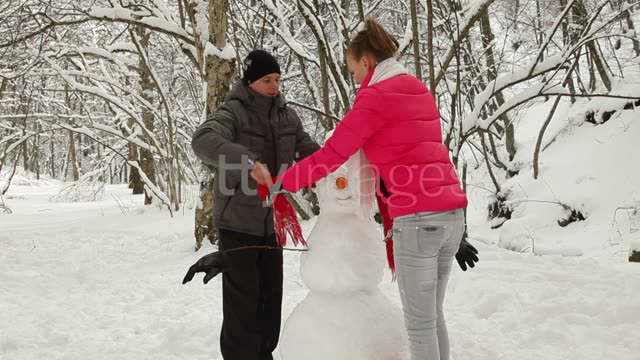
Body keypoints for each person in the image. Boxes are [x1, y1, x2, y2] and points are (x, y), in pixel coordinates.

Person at [275, 18, 478, 360]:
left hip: (418, 221)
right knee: (433, 317)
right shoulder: (418, 88)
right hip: (452, 216)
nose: (355, 80)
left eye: (354, 71)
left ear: (367, 62)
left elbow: (333, 154)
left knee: (419, 327)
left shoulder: (375, 97)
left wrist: (286, 181)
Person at [190, 49, 319, 360]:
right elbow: (203, 140)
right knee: (242, 310)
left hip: (272, 224)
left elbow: (310, 151)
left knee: (269, 304)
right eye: (266, 79)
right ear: (249, 82)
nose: (274, 85)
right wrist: (248, 163)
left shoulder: (287, 115)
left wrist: (338, 167)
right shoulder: (233, 112)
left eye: (277, 79)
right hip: (237, 223)